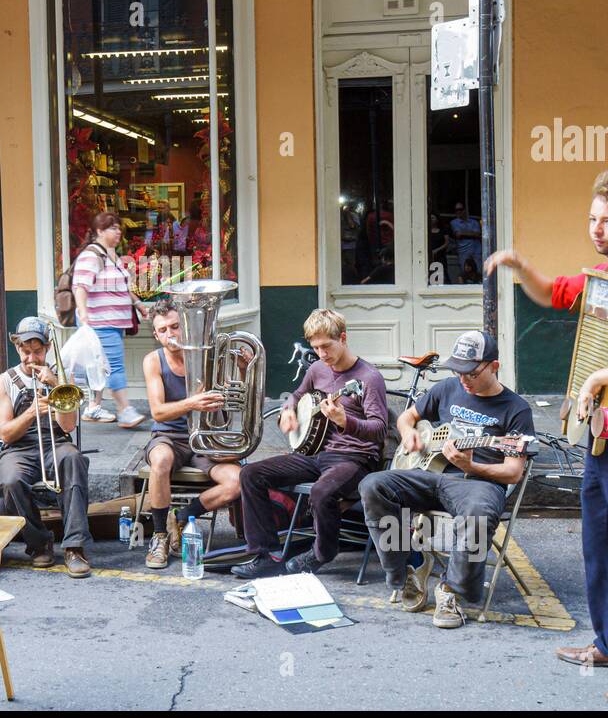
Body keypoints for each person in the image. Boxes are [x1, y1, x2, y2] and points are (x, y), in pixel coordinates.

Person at [486, 169, 608, 706]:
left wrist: (599, 378)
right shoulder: (604, 276)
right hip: (604, 432)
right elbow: (553, 293)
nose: (597, 229)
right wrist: (521, 266)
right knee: (600, 542)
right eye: (592, 219)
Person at [359, 331, 534, 629]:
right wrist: (408, 432)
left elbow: (513, 472)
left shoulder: (516, 409)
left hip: (478, 484)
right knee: (373, 486)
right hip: (429, 473)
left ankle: (451, 590)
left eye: (471, 372)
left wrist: (473, 465)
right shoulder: (447, 388)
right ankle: (409, 570)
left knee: (478, 516)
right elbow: (407, 416)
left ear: (494, 366)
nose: (463, 379)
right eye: (458, 370)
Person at [231, 309, 388, 578]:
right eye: (315, 348)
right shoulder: (317, 369)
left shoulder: (369, 378)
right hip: (315, 452)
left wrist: (344, 421)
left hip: (354, 458)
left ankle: (321, 552)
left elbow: (380, 429)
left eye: (326, 346)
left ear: (343, 338)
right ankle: (265, 554)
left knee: (321, 491)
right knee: (250, 474)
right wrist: (289, 410)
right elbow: (296, 394)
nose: (322, 354)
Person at [140, 299, 242, 568]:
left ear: (184, 327)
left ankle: (183, 515)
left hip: (207, 437)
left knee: (238, 481)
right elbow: (158, 412)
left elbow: (234, 396)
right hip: (169, 437)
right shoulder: (153, 361)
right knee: (160, 460)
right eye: (162, 330)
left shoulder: (209, 355)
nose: (169, 334)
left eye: (174, 327)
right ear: (155, 334)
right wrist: (191, 403)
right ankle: (160, 535)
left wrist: (242, 369)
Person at [0, 317, 91, 578]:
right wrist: (30, 413)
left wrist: (55, 384)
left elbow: (68, 427)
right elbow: (6, 434)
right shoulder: (6, 381)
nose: (32, 358)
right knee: (11, 479)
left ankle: (74, 547)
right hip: (19, 448)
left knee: (74, 460)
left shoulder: (62, 376)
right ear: (18, 349)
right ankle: (38, 543)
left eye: (37, 351)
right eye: (26, 352)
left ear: (47, 348)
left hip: (55, 443)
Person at [71, 211, 146, 428]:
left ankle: (94, 407)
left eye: (119, 227)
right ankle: (125, 410)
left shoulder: (111, 254)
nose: (118, 231)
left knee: (100, 366)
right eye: (113, 228)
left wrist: (138, 303)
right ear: (99, 231)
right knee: (114, 366)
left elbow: (121, 286)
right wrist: (83, 313)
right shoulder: (90, 256)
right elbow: (80, 287)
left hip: (113, 322)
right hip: (100, 322)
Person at [450, 203, 482, 282]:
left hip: (476, 250)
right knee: (465, 273)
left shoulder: (474, 222)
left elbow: (478, 234)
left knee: (478, 271)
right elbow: (458, 234)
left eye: (460, 209)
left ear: (465, 210)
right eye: (456, 210)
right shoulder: (454, 222)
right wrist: (472, 233)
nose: (458, 211)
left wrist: (464, 233)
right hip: (463, 251)